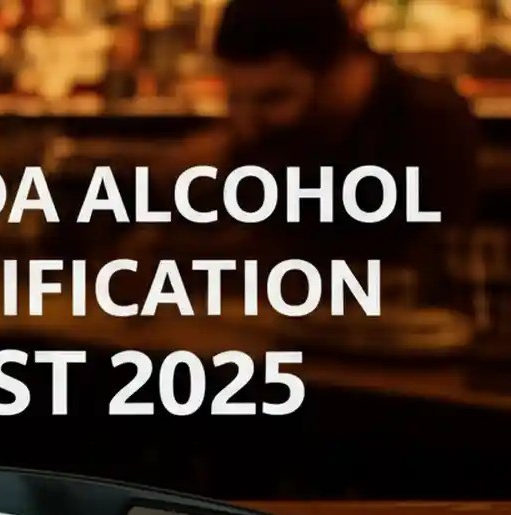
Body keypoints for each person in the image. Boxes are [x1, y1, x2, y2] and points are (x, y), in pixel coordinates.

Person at [166, 0, 480, 298]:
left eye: (271, 98)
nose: (246, 124)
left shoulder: (429, 122)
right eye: (235, 99)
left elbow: (412, 276)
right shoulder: (266, 136)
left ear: (339, 74)